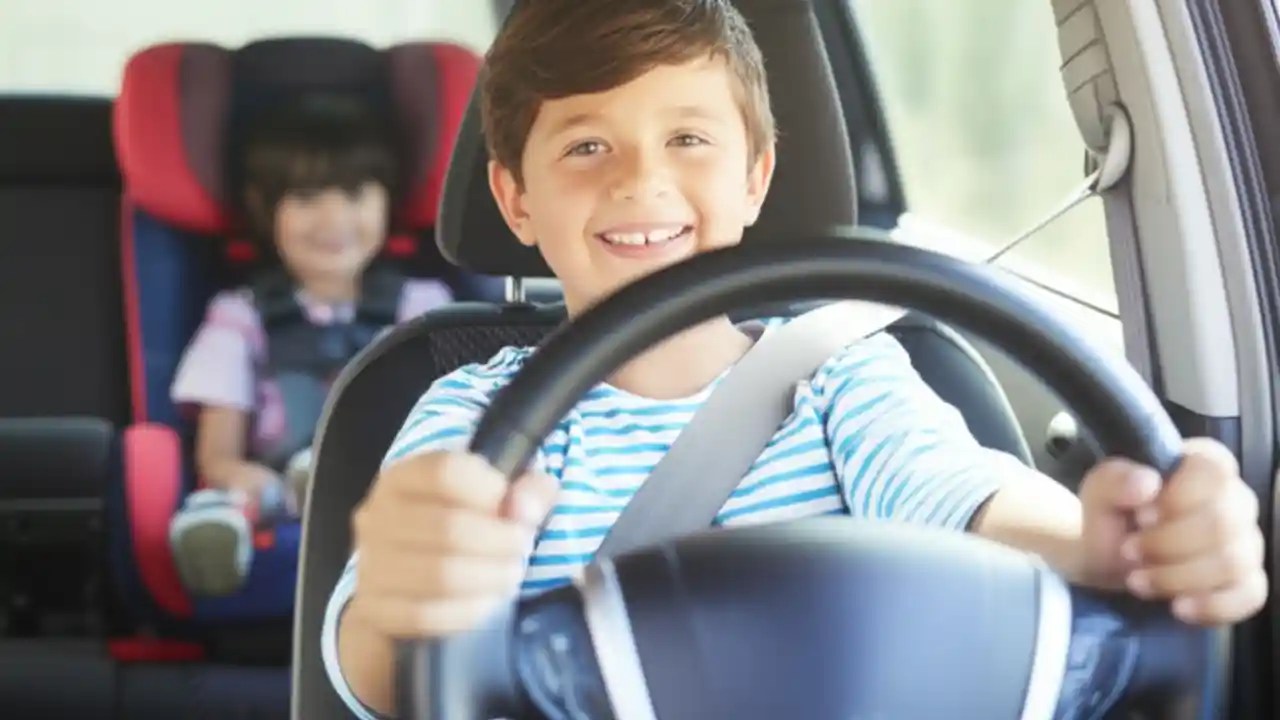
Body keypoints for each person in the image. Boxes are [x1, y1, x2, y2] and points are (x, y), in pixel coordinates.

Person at [323, 1, 1268, 717]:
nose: (640, 179)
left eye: (688, 138)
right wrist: (411, 600)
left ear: (756, 176)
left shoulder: (844, 378)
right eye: (585, 145)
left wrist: (1100, 551)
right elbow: (378, 655)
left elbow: (965, 495)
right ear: (516, 198)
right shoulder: (476, 419)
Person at [167, 95, 453, 597]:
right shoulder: (240, 316)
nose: (333, 218)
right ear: (265, 210)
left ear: (388, 200)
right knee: (236, 494)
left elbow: (451, 425)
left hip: (390, 481)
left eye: (354, 194)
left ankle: (322, 489)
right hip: (276, 482)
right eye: (305, 198)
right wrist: (255, 484)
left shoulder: (423, 307)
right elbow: (218, 455)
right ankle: (222, 537)